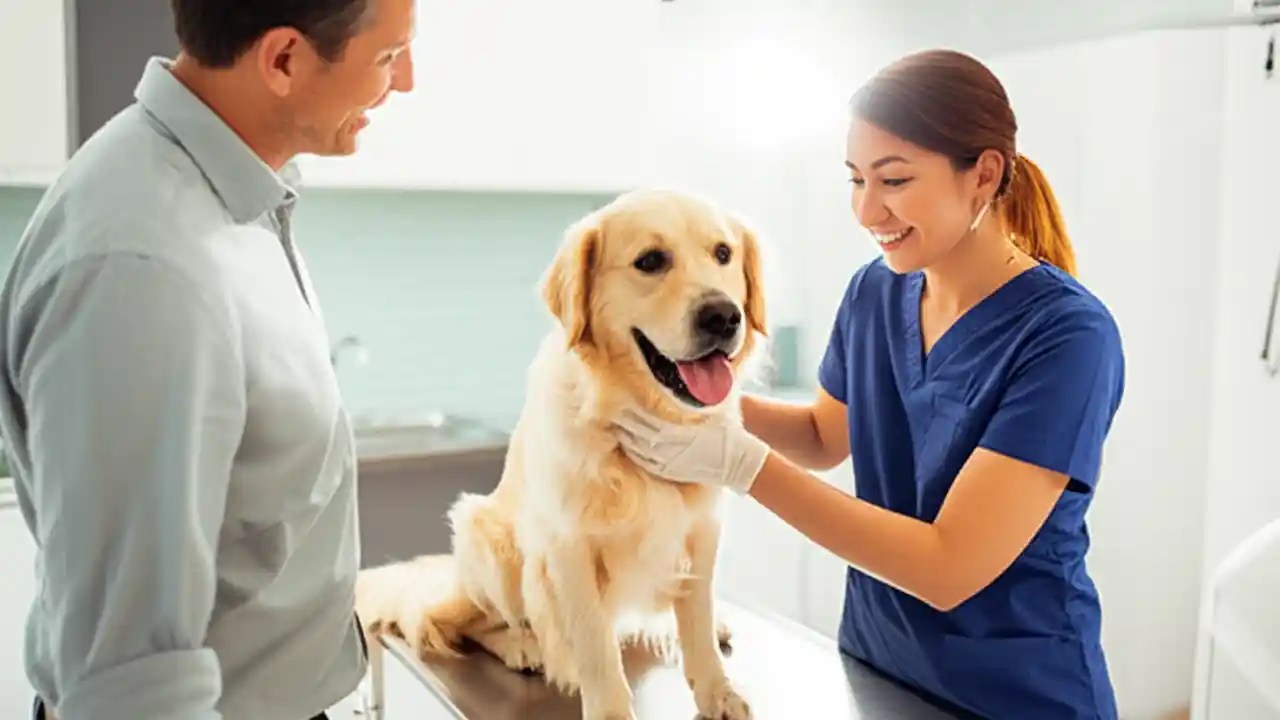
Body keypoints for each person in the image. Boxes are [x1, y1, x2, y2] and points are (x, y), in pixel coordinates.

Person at [614, 48, 1125, 720]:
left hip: (1016, 693)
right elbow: (826, 437)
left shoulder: (1066, 337)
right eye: (855, 179)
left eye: (894, 180)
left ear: (984, 175)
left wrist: (738, 462)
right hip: (881, 667)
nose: (866, 209)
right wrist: (697, 398)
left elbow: (949, 567)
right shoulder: (875, 293)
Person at [0, 1, 414, 718]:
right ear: (282, 59)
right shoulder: (143, 266)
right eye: (386, 57)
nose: (403, 82)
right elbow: (130, 684)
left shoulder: (229, 198)